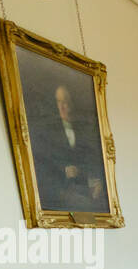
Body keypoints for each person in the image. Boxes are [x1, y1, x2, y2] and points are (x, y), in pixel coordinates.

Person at [32, 83, 107, 213]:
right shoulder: (47, 131)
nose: (62, 106)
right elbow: (42, 163)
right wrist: (64, 170)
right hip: (60, 188)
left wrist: (98, 182)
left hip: (84, 185)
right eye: (58, 102)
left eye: (65, 102)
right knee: (85, 205)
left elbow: (93, 159)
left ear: (72, 104)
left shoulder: (84, 130)